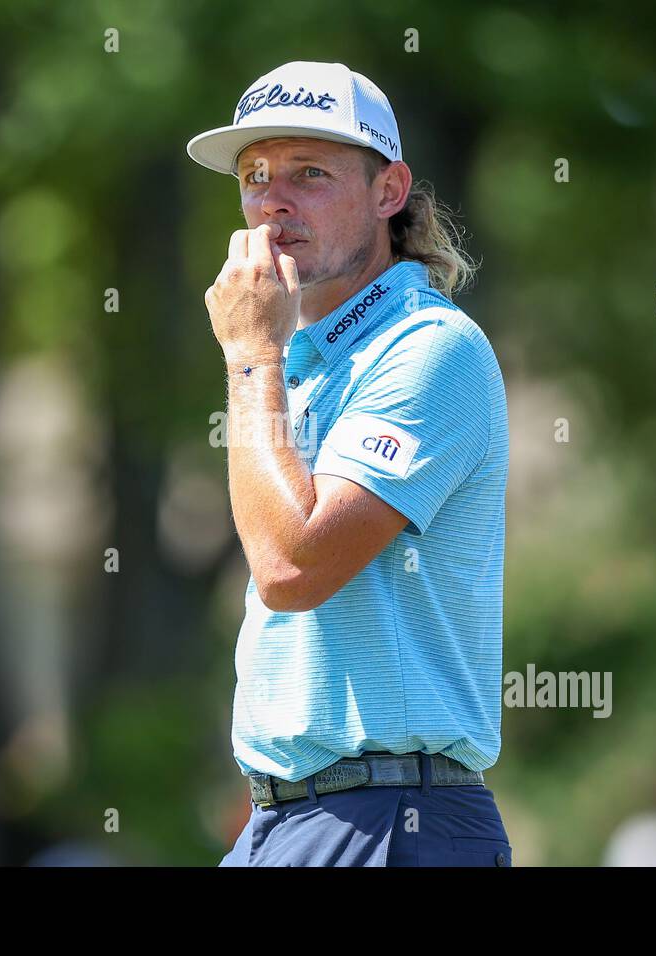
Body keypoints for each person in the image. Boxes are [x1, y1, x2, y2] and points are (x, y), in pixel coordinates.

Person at [187, 61, 512, 867]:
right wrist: (266, 355)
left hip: (394, 819)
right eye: (255, 175)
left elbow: (292, 568)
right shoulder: (299, 357)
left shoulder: (431, 349)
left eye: (312, 173)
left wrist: (250, 355)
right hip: (283, 823)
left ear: (388, 191)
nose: (274, 200)